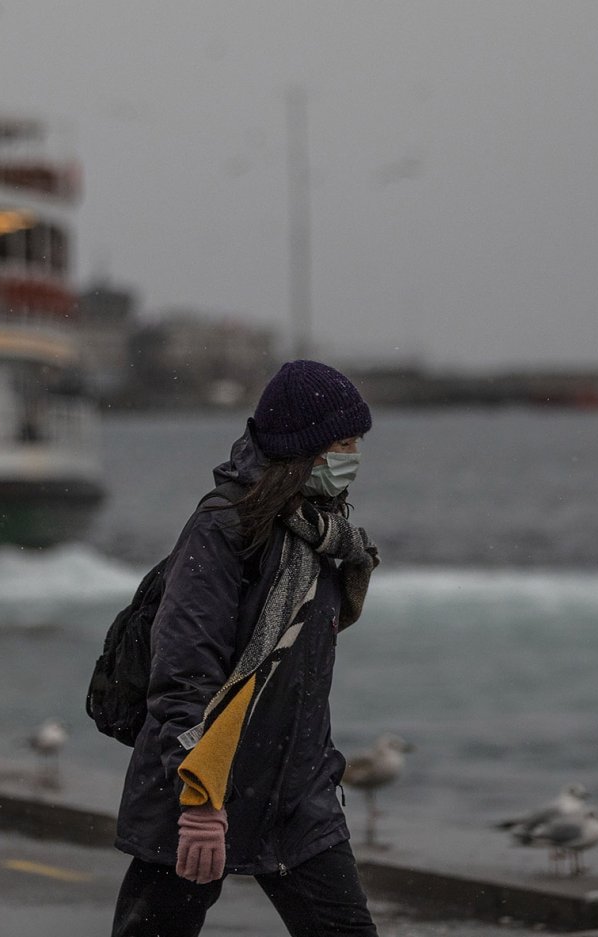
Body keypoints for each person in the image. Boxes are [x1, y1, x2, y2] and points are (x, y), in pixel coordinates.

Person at [112, 359, 383, 937]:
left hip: (297, 795)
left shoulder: (318, 532)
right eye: (342, 442)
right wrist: (200, 800)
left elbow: (298, 681)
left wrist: (321, 770)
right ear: (302, 449)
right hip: (202, 790)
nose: (352, 456)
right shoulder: (223, 530)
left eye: (356, 441)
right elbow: (184, 675)